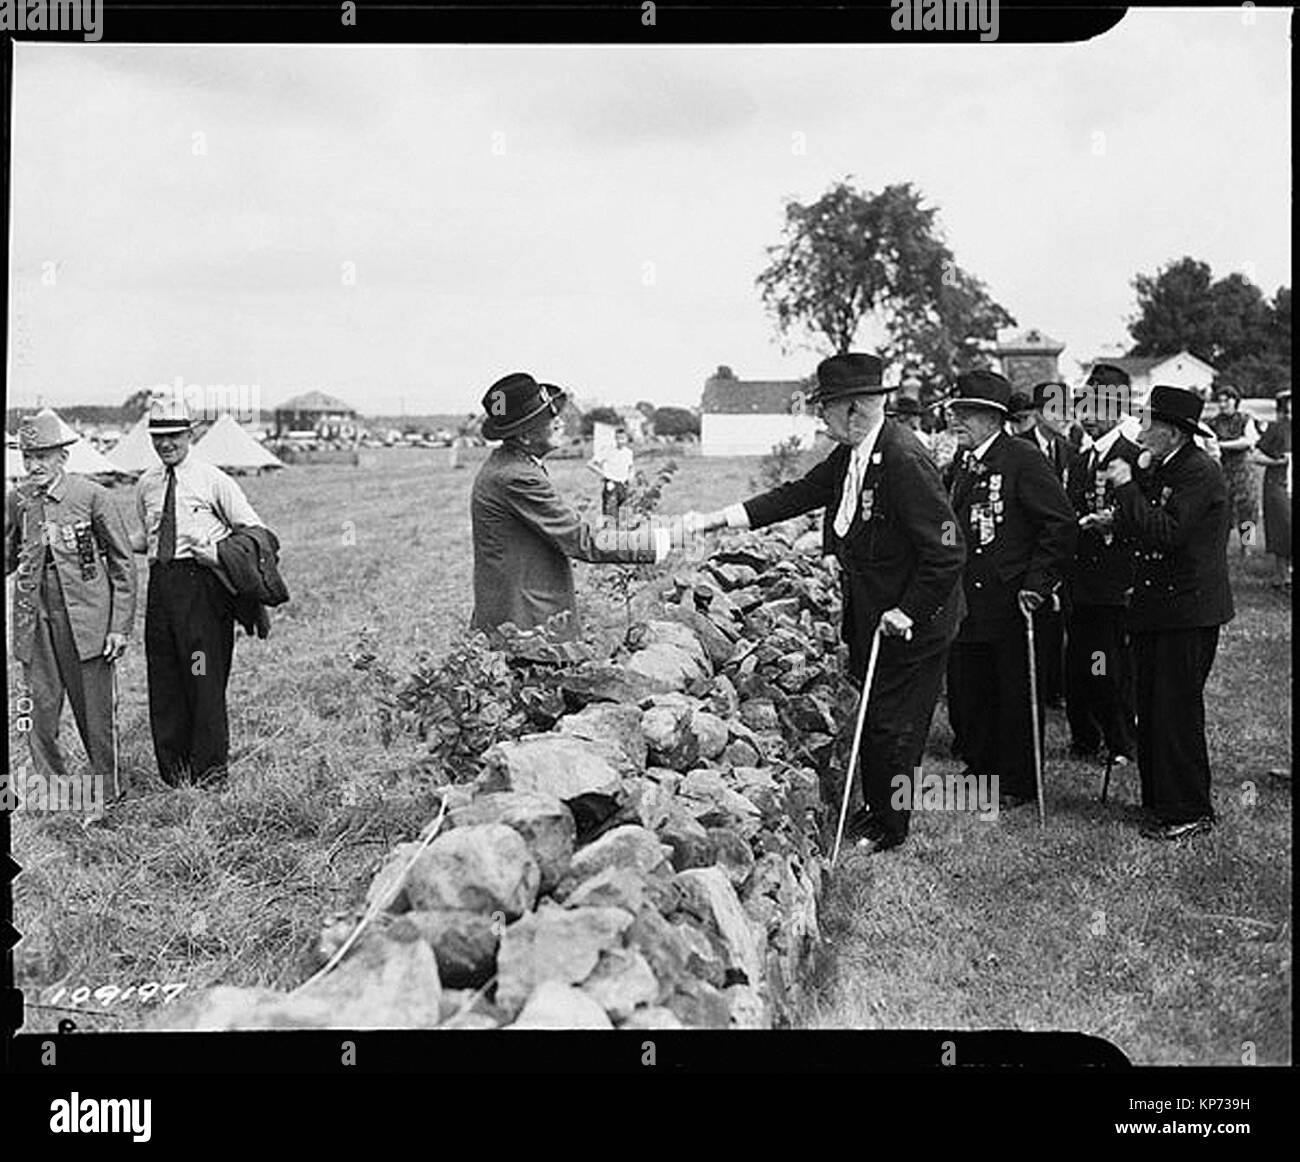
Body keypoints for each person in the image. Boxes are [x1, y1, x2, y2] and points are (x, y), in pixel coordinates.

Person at [687, 353, 966, 854]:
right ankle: (879, 808)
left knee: (893, 725)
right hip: (876, 614)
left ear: (856, 410)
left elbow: (948, 548)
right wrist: (717, 519)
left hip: (913, 620)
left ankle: (889, 826)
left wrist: (909, 609)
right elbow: (796, 495)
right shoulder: (854, 453)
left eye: (826, 409)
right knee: (879, 717)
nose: (821, 418)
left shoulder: (903, 459)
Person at [1103, 385, 1234, 840]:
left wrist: (1124, 489)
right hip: (1158, 607)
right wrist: (1115, 518)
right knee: (1153, 709)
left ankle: (1191, 810)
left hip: (1187, 610)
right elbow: (1148, 519)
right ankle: (1160, 801)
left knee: (1176, 712)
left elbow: (1167, 532)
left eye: (1147, 424)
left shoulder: (1199, 472)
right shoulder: (1167, 467)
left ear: (1173, 433)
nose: (1139, 432)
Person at [944, 369, 1077, 809]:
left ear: (991, 416)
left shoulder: (1022, 458)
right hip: (971, 600)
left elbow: (1058, 525)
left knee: (1016, 692)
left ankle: (1018, 782)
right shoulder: (962, 463)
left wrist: (1037, 584)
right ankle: (982, 770)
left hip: (1013, 599)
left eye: (965, 413)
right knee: (975, 688)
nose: (955, 420)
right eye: (955, 412)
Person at [470, 372, 675, 640]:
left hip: (517, 619)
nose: (560, 423)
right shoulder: (516, 476)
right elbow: (583, 541)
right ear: (524, 437)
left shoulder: (512, 464)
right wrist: (665, 539)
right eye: (549, 419)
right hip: (526, 626)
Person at [134, 398, 266, 787]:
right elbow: (147, 536)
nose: (166, 444)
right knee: (166, 679)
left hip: (202, 594)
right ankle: (174, 776)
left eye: (174, 435)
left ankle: (209, 775)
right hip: (162, 590)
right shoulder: (146, 483)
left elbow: (255, 532)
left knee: (202, 675)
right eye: (158, 437)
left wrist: (218, 552)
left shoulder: (214, 480)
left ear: (190, 435)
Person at [5, 413, 136, 799]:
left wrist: (119, 626)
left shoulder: (93, 496)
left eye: (43, 456)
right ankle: (51, 786)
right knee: (38, 708)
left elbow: (123, 563)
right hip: (34, 614)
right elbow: (10, 555)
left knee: (94, 710)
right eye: (28, 457)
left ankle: (107, 791)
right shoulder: (18, 500)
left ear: (63, 456)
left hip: (86, 617)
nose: (34, 466)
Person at [1063, 364, 1141, 767]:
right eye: (1082, 405)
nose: (1085, 413)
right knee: (1078, 661)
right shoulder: (1081, 459)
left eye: (1095, 405)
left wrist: (1113, 524)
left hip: (1114, 579)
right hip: (1082, 579)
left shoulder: (1132, 457)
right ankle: (1084, 736)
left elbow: (1143, 518)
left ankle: (1121, 741)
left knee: (1109, 662)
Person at [1206, 385, 1259, 556]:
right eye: (1219, 401)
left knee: (1247, 509)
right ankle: (1221, 546)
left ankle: (1247, 547)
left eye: (1226, 400)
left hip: (1244, 471)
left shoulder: (1245, 419)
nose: (1222, 404)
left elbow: (1248, 440)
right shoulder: (1213, 422)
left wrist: (1222, 444)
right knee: (1223, 510)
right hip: (1222, 470)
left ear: (1235, 401)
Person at [1253, 389, 1291, 589]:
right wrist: (1277, 461)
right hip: (1279, 484)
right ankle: (1282, 575)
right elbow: (1256, 455)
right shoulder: (1277, 429)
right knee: (1282, 526)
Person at [588, 426, 634, 524]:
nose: (620, 441)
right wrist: (604, 474)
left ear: (627, 439)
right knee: (610, 513)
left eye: (622, 438)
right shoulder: (608, 451)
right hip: (611, 484)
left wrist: (631, 476)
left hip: (624, 484)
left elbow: (631, 467)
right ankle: (608, 535)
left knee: (623, 514)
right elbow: (590, 464)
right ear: (614, 439)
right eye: (617, 438)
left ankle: (621, 535)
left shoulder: (628, 453)